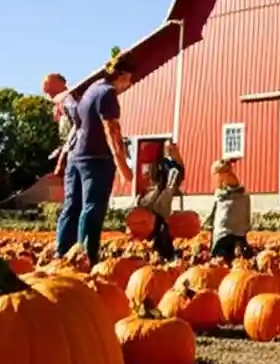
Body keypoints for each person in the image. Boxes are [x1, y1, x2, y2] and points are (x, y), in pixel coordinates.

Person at [56, 62, 135, 265]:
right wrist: (123, 166)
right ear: (121, 75)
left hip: (76, 156)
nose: (129, 84)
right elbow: (112, 131)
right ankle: (86, 257)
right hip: (96, 159)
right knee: (92, 208)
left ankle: (63, 253)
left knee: (72, 206)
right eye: (128, 79)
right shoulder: (108, 93)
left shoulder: (93, 88)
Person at [136, 141, 184, 260]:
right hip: (155, 198)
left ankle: (162, 252)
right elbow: (152, 179)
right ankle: (160, 252)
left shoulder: (174, 165)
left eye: (171, 148)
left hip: (163, 199)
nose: (169, 150)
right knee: (157, 226)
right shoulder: (158, 164)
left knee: (160, 225)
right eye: (168, 148)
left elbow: (180, 174)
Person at [203, 158, 252, 262]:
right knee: (239, 262)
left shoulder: (227, 196)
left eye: (215, 176)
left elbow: (220, 218)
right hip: (238, 234)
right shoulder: (241, 195)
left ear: (221, 174)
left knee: (222, 262)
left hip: (224, 236)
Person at [42, 72, 78, 178]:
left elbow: (78, 126)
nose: (49, 96)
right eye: (47, 93)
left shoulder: (70, 100)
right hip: (69, 153)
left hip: (77, 152)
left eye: (51, 92)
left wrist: (63, 155)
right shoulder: (58, 108)